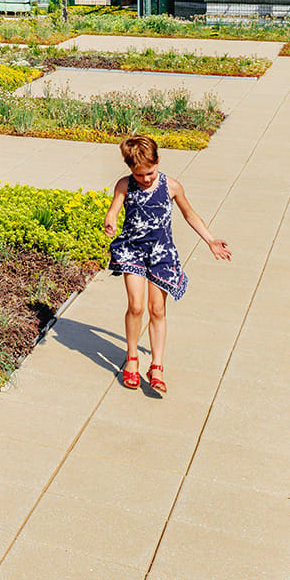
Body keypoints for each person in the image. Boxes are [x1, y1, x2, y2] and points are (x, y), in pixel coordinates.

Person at [102, 135, 231, 395]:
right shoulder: (124, 185)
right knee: (136, 306)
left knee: (157, 309)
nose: (146, 179)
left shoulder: (171, 186)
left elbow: (189, 214)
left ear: (158, 161)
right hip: (132, 250)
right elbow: (114, 208)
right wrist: (110, 219)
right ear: (130, 170)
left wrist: (210, 240)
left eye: (149, 173)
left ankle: (157, 365)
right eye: (139, 175)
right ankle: (132, 357)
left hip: (161, 254)